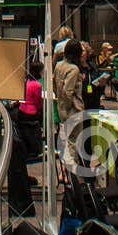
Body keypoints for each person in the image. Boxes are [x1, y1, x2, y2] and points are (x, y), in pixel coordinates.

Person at [53, 38, 84, 169]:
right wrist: (68, 106)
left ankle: (65, 173)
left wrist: (62, 105)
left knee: (66, 142)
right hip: (73, 110)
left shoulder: (58, 65)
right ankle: (71, 176)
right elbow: (68, 91)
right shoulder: (74, 69)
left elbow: (54, 85)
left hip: (61, 110)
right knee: (73, 143)